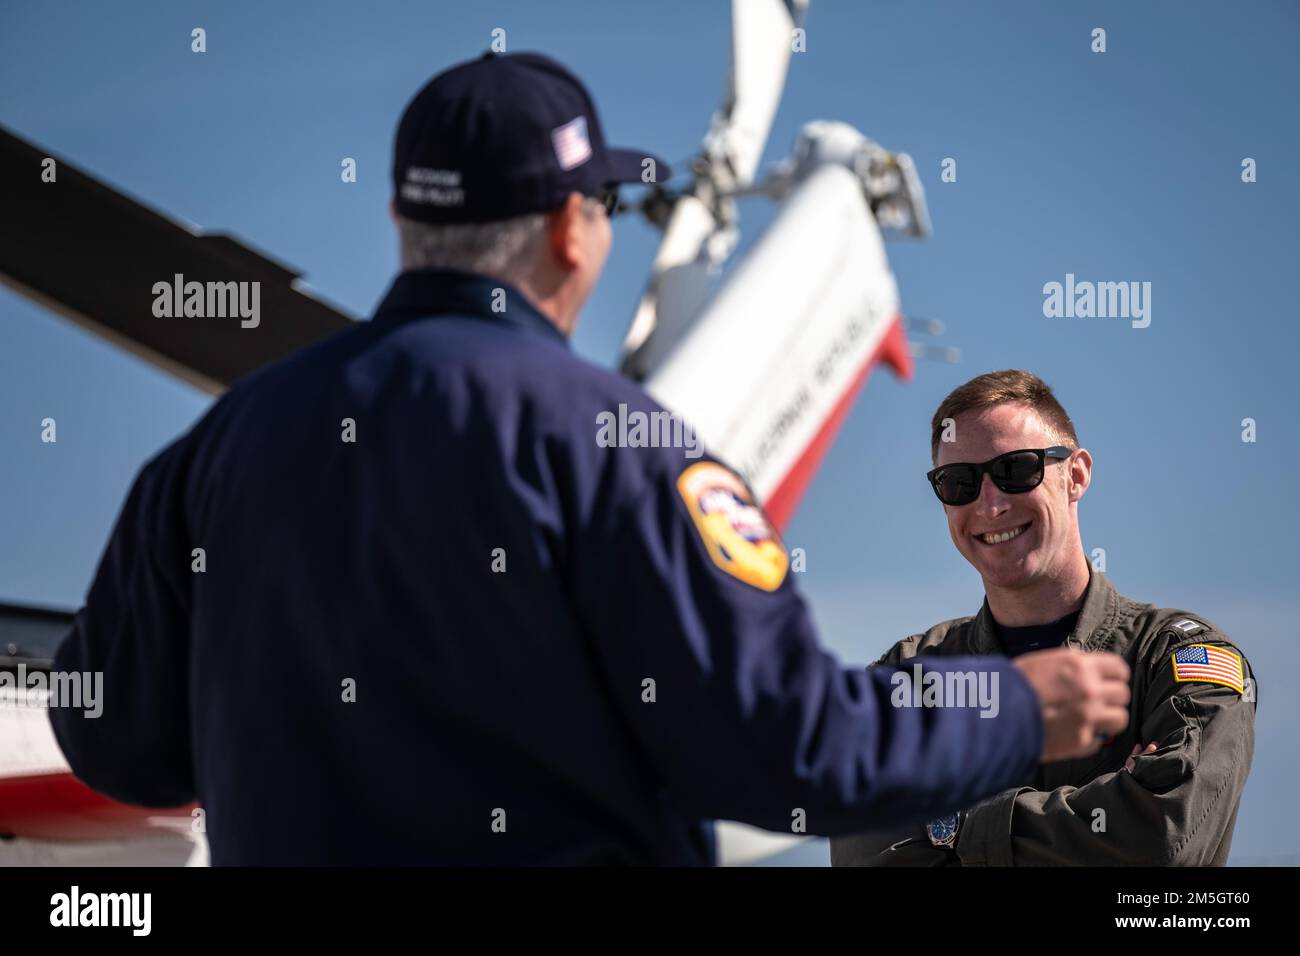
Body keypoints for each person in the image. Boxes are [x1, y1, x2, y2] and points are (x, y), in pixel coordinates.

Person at [49, 53, 1130, 865]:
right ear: (573, 230)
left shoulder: (211, 453)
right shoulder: (626, 449)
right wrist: (1013, 707)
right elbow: (789, 743)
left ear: (400, 219)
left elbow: (111, 739)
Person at [830, 370, 1256, 866]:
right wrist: (1102, 807)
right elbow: (860, 845)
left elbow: (1158, 839)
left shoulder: (1174, 661)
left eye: (1016, 470)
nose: (990, 505)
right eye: (959, 483)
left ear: (1076, 475)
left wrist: (948, 829)